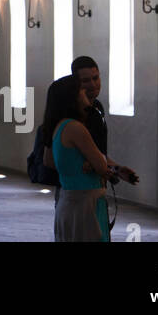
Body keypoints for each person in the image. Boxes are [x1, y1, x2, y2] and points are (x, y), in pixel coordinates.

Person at [43, 74, 110, 241]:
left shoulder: (59, 125)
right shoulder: (75, 127)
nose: (85, 91)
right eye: (81, 89)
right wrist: (95, 162)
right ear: (71, 97)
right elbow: (102, 166)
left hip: (70, 202)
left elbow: (50, 160)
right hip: (84, 204)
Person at [69, 56, 138, 185]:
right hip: (75, 190)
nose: (93, 84)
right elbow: (54, 159)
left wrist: (116, 169)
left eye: (95, 78)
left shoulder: (97, 107)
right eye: (86, 80)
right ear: (76, 83)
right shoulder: (69, 112)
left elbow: (98, 154)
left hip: (97, 188)